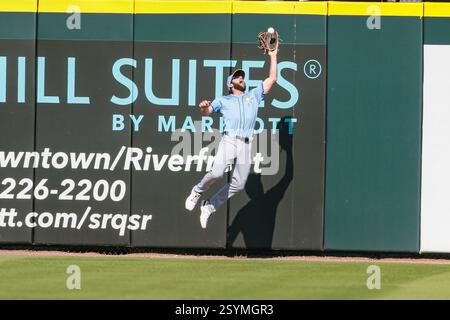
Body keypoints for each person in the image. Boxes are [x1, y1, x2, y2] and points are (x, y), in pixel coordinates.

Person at [185, 48, 278, 229]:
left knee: (239, 184)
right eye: (237, 77)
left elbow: (272, 78)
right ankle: (197, 191)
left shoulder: (253, 95)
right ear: (230, 83)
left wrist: (273, 55)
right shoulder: (224, 100)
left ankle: (209, 205)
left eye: (242, 76)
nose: (241, 78)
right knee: (217, 173)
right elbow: (207, 112)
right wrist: (203, 107)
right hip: (230, 140)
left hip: (246, 143)